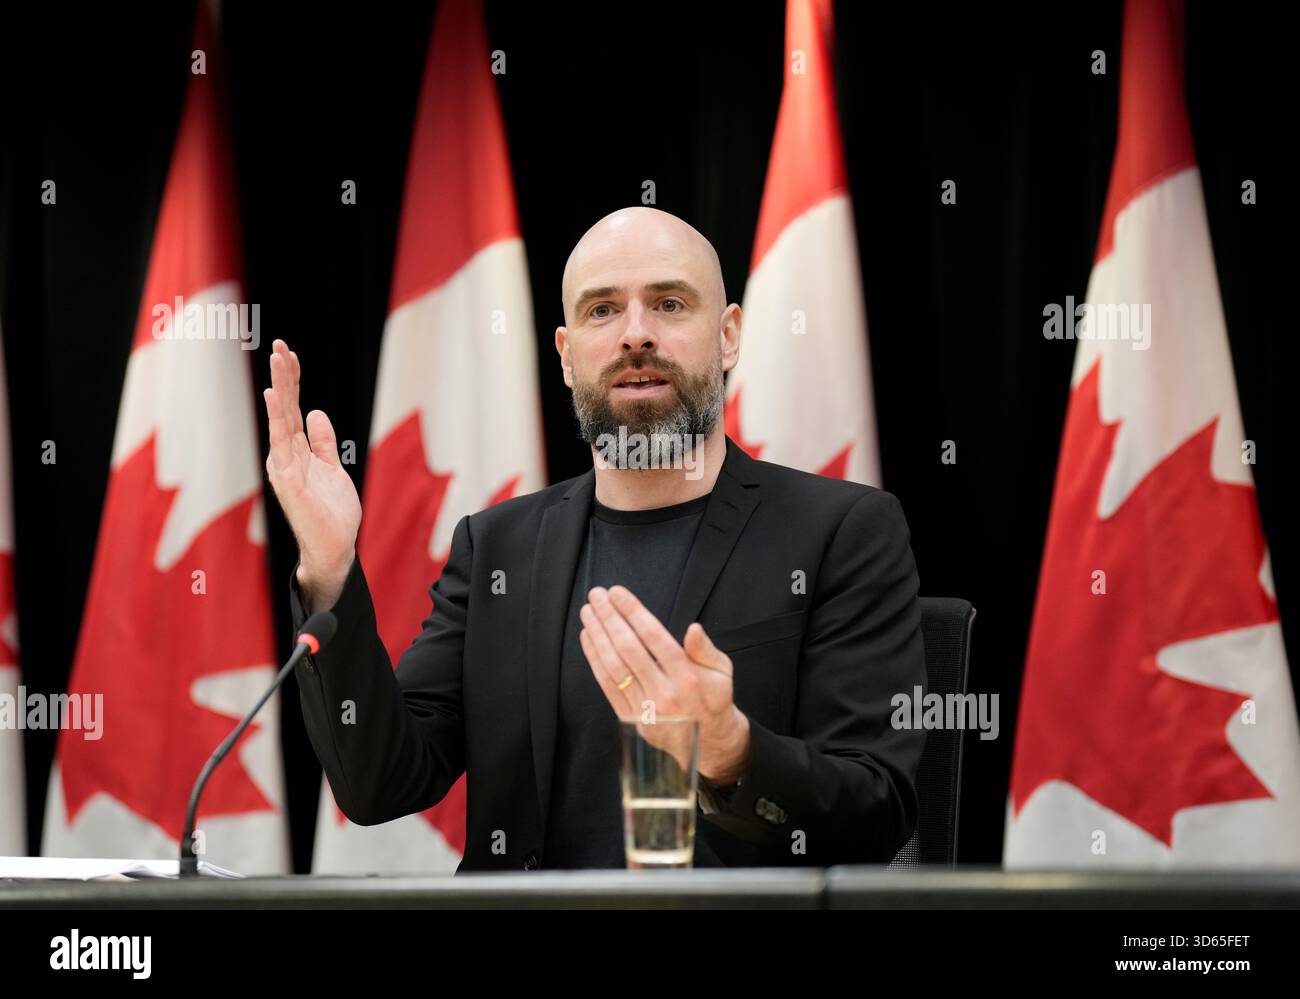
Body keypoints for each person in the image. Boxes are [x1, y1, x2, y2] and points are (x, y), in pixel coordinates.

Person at [262, 206, 926, 871]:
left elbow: (877, 809)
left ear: (728, 337)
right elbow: (379, 783)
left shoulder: (841, 533)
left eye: (668, 303)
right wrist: (329, 571)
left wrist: (731, 751)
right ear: (567, 357)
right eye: (602, 311)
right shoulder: (494, 550)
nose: (636, 335)